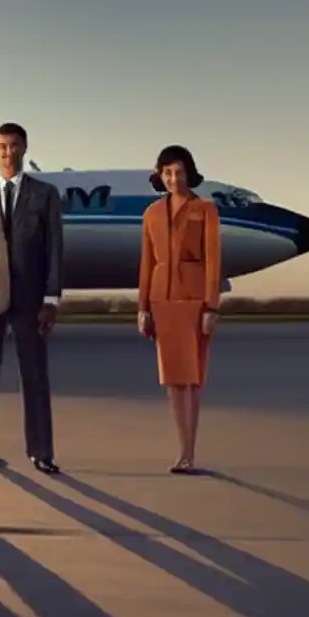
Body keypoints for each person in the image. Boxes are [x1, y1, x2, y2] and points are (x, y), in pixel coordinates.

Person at [0, 122, 64, 475]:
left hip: (31, 299)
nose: (8, 152)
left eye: (14, 145)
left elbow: (54, 249)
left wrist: (51, 299)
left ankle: (41, 451)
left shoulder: (45, 194)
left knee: (35, 376)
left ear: (24, 148)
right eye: (2, 146)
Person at [137, 145, 222, 474]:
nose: (174, 179)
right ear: (160, 176)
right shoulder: (151, 214)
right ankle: (181, 450)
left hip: (195, 300)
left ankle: (189, 451)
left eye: (179, 172)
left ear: (190, 173)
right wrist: (142, 308)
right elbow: (147, 263)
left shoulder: (205, 210)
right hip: (162, 301)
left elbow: (213, 261)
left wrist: (211, 306)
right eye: (168, 173)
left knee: (192, 379)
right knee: (173, 379)